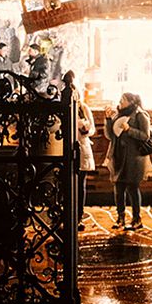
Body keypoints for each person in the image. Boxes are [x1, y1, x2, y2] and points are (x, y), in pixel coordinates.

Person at [104, 91, 152, 230]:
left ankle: (137, 219)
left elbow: (145, 136)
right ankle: (120, 218)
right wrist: (108, 119)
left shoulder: (140, 115)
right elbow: (110, 135)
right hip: (118, 155)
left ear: (131, 102)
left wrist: (129, 130)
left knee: (132, 188)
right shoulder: (118, 115)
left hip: (133, 157)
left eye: (123, 99)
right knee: (118, 188)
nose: (120, 101)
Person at [64, 70, 97, 228]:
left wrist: (86, 130)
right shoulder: (63, 108)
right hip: (66, 149)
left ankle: (78, 217)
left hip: (82, 148)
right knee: (66, 184)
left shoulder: (84, 108)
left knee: (80, 185)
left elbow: (92, 129)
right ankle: (66, 215)